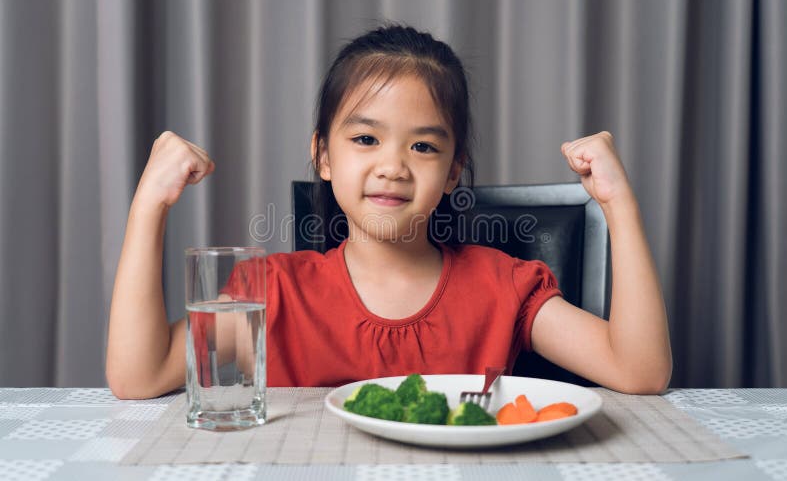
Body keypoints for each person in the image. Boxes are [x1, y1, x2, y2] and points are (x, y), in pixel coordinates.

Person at [106, 24, 672, 399]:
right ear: (323, 155)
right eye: (366, 140)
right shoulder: (272, 292)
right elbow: (140, 374)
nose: (394, 166)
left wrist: (617, 204)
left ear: (454, 172)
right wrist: (148, 206)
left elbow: (639, 372)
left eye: (424, 146)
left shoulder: (502, 286)